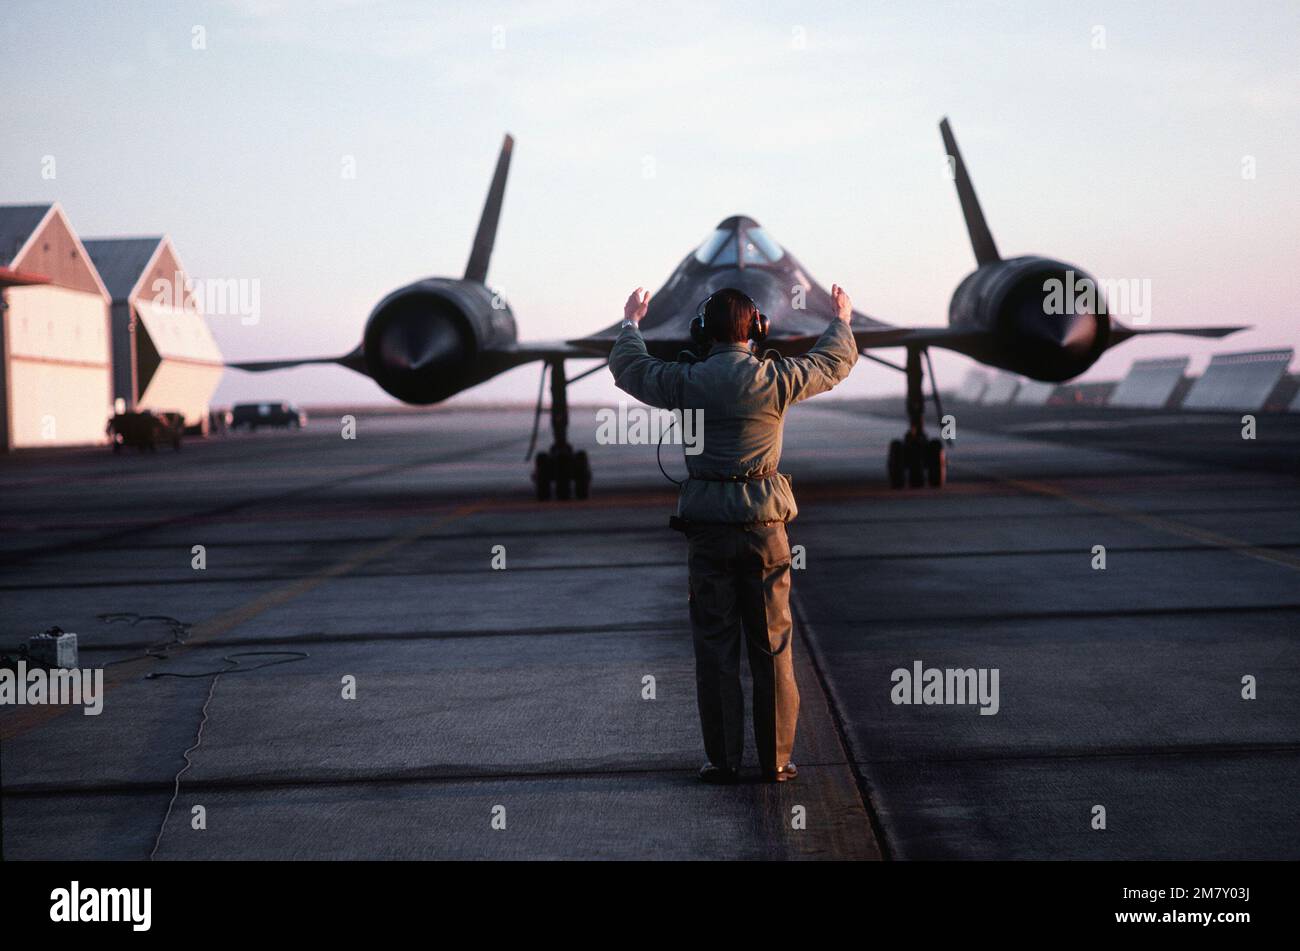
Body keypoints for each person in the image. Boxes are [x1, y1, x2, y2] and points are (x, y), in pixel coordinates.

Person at [609, 284, 858, 783]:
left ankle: (722, 761)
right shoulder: (778, 378)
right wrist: (841, 319)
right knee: (773, 646)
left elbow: (630, 369)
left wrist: (632, 322)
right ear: (757, 330)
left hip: (708, 532)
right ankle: (777, 760)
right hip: (766, 530)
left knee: (716, 648)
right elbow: (833, 362)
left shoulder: (685, 380)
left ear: (702, 332)